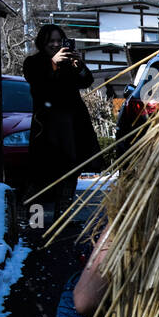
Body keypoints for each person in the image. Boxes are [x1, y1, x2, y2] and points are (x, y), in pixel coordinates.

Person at [23, 25, 103, 212]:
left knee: (71, 171)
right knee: (41, 175)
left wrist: (79, 65)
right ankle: (34, 220)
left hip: (72, 125)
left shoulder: (69, 63)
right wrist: (53, 63)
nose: (56, 44)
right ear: (43, 42)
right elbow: (38, 83)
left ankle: (63, 216)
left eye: (59, 40)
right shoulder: (33, 62)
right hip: (48, 127)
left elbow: (87, 81)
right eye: (51, 41)